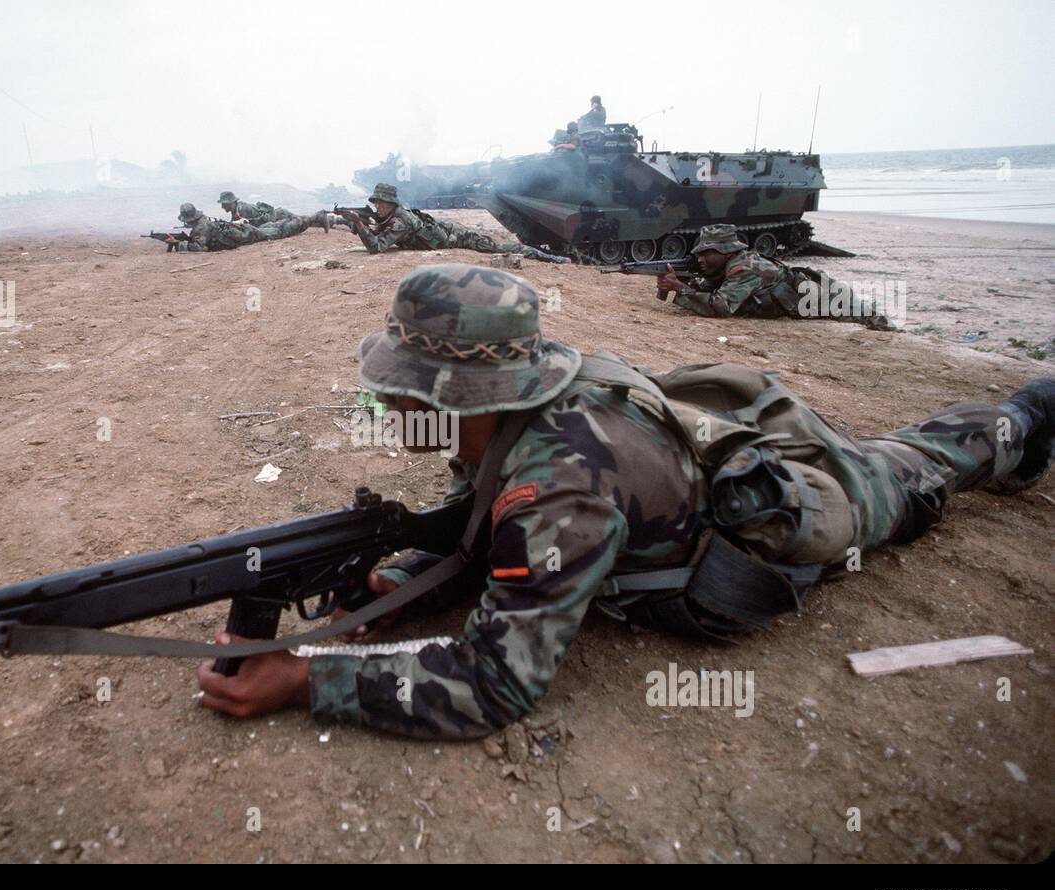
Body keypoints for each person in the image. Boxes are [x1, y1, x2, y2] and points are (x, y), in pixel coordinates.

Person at [195, 263, 1054, 738]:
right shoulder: (515, 395)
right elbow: (479, 521)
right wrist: (410, 579)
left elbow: (493, 684)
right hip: (697, 454)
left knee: (915, 469)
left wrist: (311, 682)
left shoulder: (559, 484)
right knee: (896, 453)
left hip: (772, 512)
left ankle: (1019, 421)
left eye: (409, 394)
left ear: (468, 392)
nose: (392, 411)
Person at [658, 224, 895, 329]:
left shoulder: (744, 268)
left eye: (706, 254)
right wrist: (689, 283)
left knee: (870, 318)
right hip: (807, 294)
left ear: (725, 252)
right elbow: (715, 288)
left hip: (824, 297)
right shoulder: (730, 267)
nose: (700, 259)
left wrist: (680, 288)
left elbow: (721, 307)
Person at [342, 183, 570, 264]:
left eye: (380, 202)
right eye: (375, 202)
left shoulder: (400, 220)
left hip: (455, 237)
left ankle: (547, 256)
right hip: (443, 230)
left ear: (391, 202)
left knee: (499, 247)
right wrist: (358, 223)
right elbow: (379, 231)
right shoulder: (390, 216)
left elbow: (376, 247)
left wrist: (359, 225)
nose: (377, 206)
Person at [171, 202, 327, 252]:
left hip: (249, 234)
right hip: (247, 231)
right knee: (278, 225)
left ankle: (317, 216)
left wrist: (178, 245)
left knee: (285, 229)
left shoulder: (201, 226)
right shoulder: (202, 222)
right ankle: (315, 217)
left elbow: (198, 248)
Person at [219, 191, 299, 225]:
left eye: (225, 204)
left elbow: (245, 224)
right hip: (274, 217)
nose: (223, 207)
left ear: (233, 203)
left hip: (279, 215)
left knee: (301, 220)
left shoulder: (242, 209)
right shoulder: (235, 210)